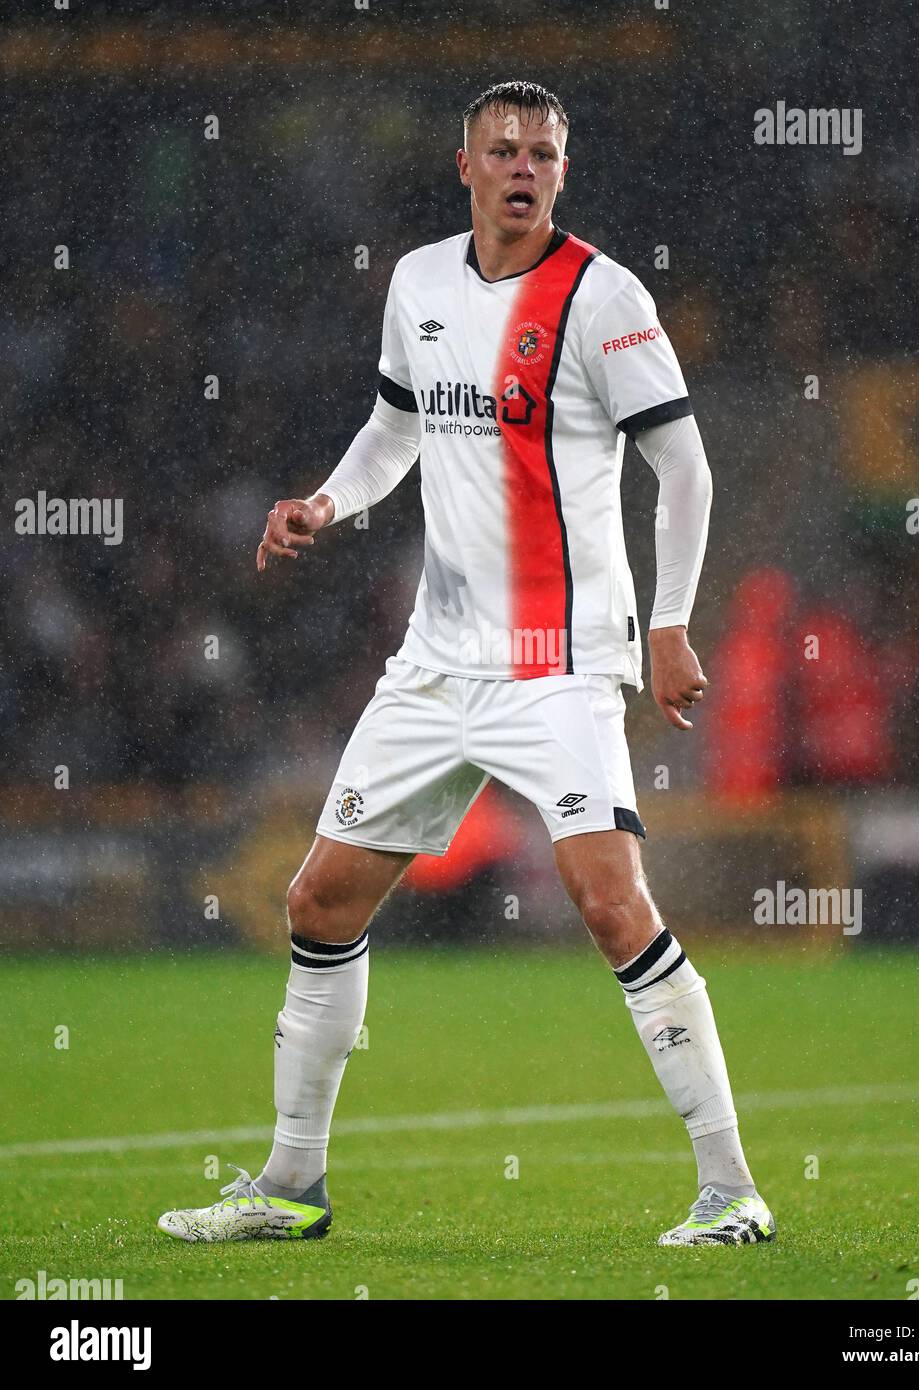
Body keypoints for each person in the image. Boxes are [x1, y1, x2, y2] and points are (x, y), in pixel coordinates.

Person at [157, 81, 775, 1249]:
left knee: (608, 901)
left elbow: (684, 471)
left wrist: (671, 624)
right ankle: (292, 1186)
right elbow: (398, 427)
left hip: (557, 666)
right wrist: (327, 502)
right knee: (319, 898)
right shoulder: (419, 283)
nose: (523, 167)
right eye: (503, 150)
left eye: (543, 151)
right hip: (435, 663)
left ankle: (730, 1189)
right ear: (464, 166)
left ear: (560, 172)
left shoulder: (603, 296)